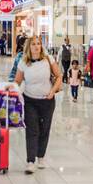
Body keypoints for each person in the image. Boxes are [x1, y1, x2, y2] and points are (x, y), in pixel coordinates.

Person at [17, 34, 64, 173]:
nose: (37, 46)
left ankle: (41, 156)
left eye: (38, 43)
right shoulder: (23, 62)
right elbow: (17, 81)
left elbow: (59, 76)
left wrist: (53, 90)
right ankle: (30, 161)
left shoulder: (48, 59)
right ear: (28, 47)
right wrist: (12, 91)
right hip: (30, 100)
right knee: (32, 130)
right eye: (33, 44)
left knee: (45, 129)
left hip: (47, 101)